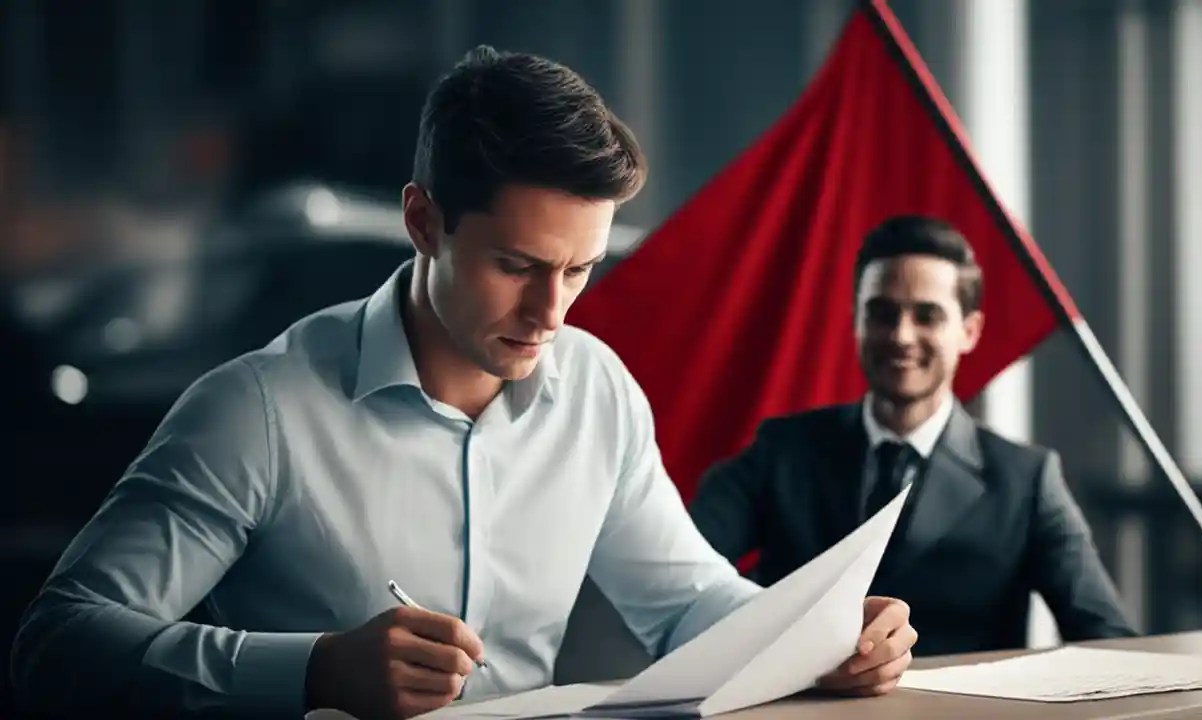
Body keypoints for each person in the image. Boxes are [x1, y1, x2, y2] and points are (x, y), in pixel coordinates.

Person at [11, 47, 917, 719]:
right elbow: (56, 646)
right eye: (518, 265)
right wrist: (316, 669)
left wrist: (822, 637)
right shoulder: (258, 410)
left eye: (580, 270)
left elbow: (685, 604)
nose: (551, 311)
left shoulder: (596, 389)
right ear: (423, 221)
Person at [690, 215, 1135, 658]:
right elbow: (687, 574)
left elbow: (1107, 641)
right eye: (882, 313)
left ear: (969, 331)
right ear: (856, 321)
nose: (901, 336)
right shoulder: (781, 451)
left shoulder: (1027, 480)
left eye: (927, 316)